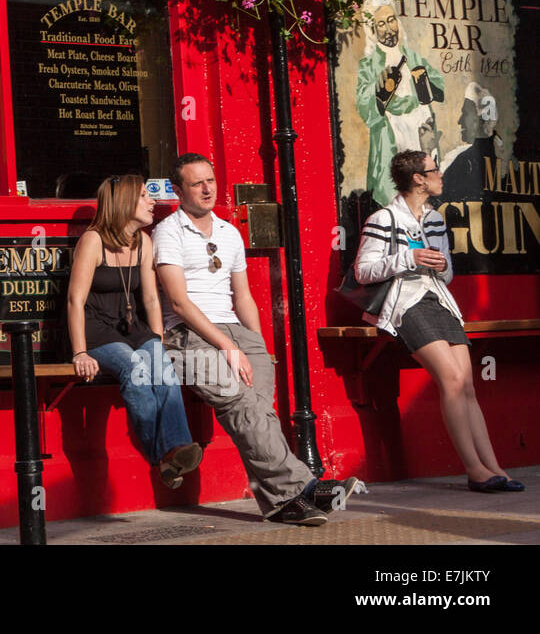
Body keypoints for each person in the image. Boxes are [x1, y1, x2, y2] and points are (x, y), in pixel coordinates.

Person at [154, 153, 359, 525]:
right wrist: (228, 347)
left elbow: (243, 295)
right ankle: (305, 487)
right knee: (244, 407)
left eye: (211, 181)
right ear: (178, 190)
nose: (206, 189)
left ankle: (282, 504)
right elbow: (180, 303)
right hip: (190, 337)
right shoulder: (168, 232)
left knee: (256, 412)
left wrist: (257, 343)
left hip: (238, 332)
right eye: (197, 183)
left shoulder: (229, 232)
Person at [353, 150, 523, 492]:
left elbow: (445, 274)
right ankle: (475, 470)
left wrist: (442, 266)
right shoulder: (384, 219)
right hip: (406, 304)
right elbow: (362, 270)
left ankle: (494, 467)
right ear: (418, 179)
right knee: (450, 379)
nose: (440, 175)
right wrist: (409, 256)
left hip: (438, 300)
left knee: (467, 384)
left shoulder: (434, 219)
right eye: (434, 170)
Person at [67, 174, 203, 488]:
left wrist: (157, 339)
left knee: (160, 364)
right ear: (124, 202)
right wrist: (79, 351)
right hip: (94, 330)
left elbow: (152, 297)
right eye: (144, 195)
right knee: (134, 368)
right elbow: (75, 300)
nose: (152, 201)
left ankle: (177, 448)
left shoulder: (143, 241)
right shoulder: (93, 240)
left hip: (132, 327)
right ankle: (164, 455)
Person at [356, 0, 444, 206]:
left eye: (391, 21)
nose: (388, 29)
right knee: (396, 193)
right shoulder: (369, 65)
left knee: (424, 190)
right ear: (373, 30)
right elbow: (363, 106)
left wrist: (424, 84)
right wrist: (381, 91)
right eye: (381, 25)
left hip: (420, 128)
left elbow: (439, 89)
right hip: (392, 132)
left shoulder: (412, 57)